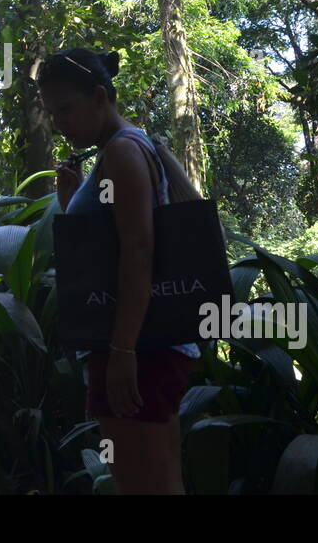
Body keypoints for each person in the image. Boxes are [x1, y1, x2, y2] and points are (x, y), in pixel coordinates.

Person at [34, 46, 202, 494]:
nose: (59, 122)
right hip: (146, 345)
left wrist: (123, 351)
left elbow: (138, 252)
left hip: (136, 346)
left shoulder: (123, 152)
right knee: (160, 480)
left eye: (66, 109)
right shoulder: (120, 149)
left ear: (100, 96)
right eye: (52, 113)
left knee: (142, 485)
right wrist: (72, 203)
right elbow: (108, 246)